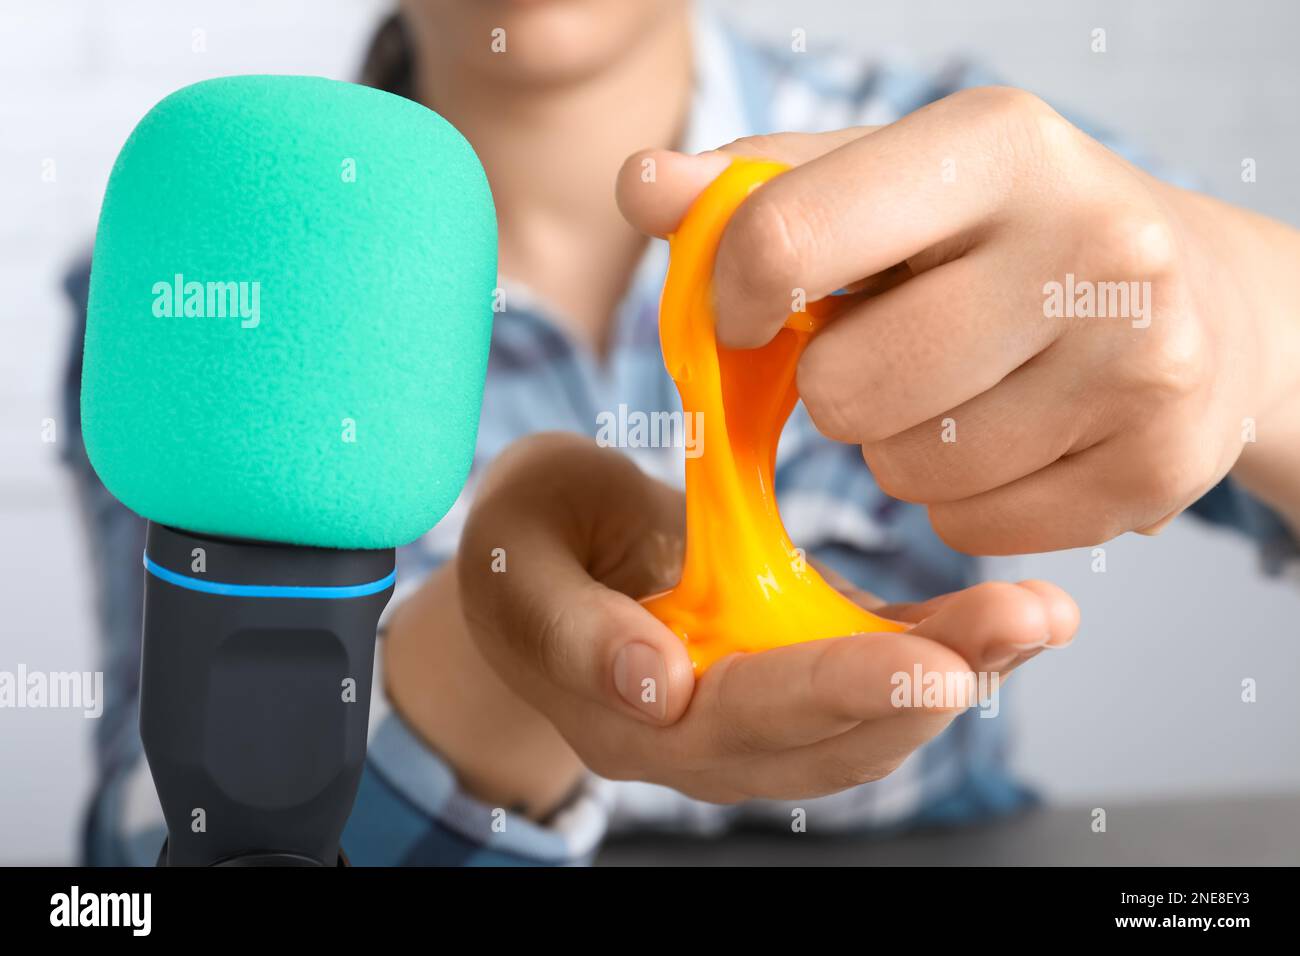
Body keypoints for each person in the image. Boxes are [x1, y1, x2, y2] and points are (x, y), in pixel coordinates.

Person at [64, 0, 1300, 866]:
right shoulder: (229, 248)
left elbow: (1226, 354)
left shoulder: (970, 158)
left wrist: (1242, 319)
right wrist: (490, 662)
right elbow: (136, 854)